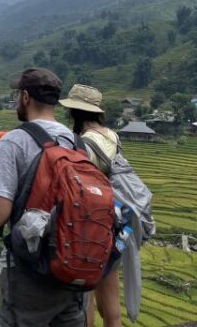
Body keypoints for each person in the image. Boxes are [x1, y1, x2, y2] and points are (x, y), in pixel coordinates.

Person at [0, 67, 86, 327]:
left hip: (29, 274)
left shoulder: (14, 141)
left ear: (25, 97)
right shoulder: (77, 142)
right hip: (73, 268)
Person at [59, 84, 122, 327]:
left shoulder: (80, 143)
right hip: (113, 221)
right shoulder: (112, 136)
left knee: (85, 300)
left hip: (88, 224)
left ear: (75, 112)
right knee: (112, 306)